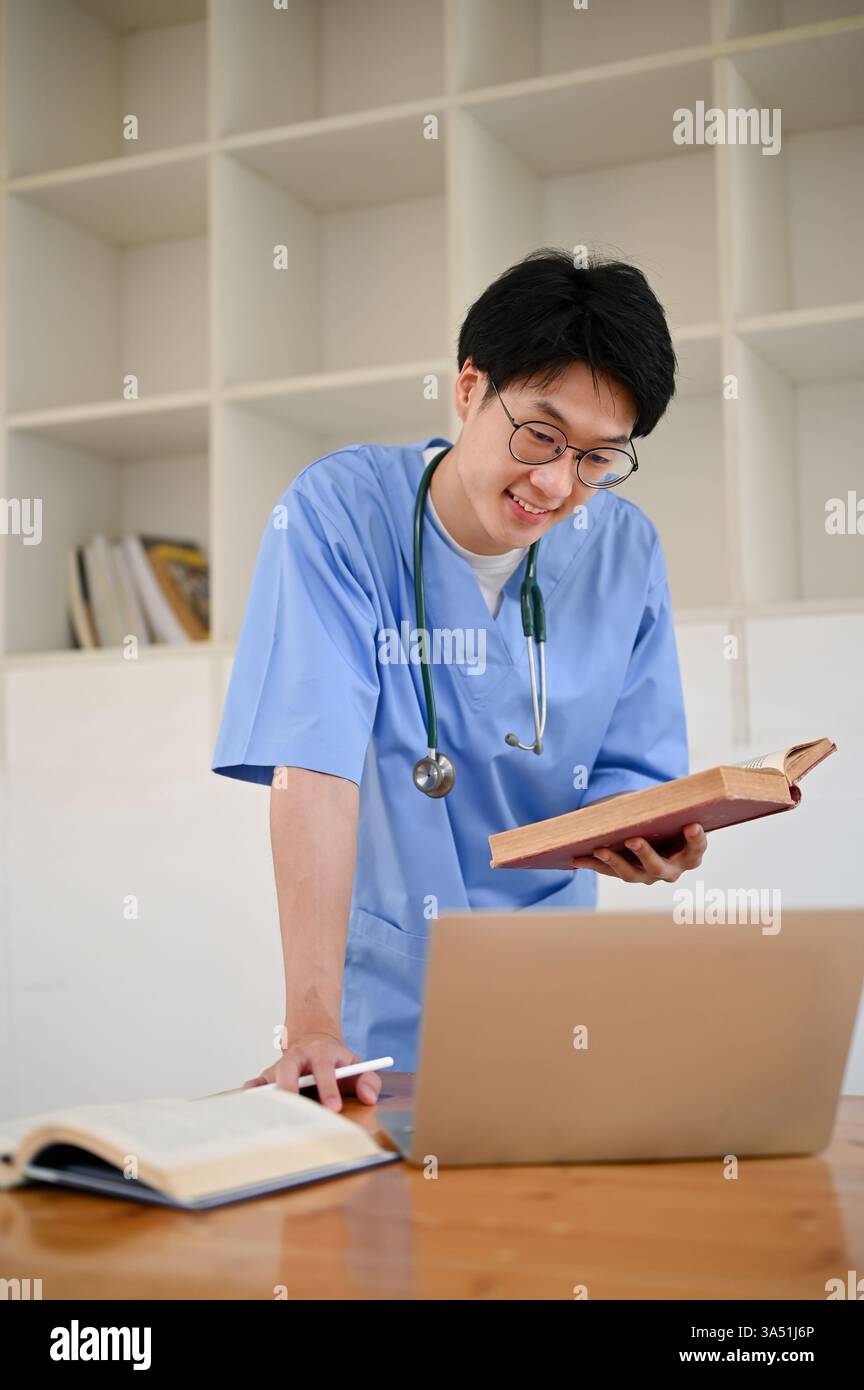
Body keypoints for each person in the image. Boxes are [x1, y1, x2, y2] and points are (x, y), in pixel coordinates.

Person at [211, 248, 708, 1109]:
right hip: (378, 1008)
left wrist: (654, 839)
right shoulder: (340, 515)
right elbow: (313, 768)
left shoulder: (627, 551)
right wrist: (310, 1023)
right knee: (384, 1233)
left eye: (599, 458)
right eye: (541, 435)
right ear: (470, 388)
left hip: (557, 997)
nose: (556, 485)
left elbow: (632, 775)